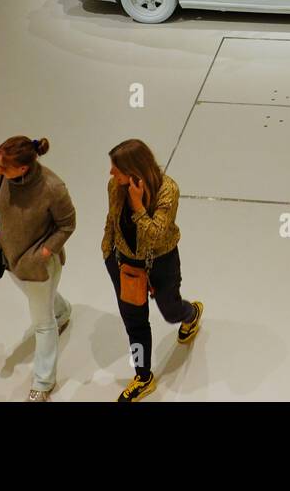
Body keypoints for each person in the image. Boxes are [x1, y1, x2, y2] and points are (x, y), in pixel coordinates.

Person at [102, 139, 203, 402]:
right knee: (134, 323)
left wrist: (137, 206)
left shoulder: (167, 190)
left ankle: (191, 313)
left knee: (170, 312)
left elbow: (156, 236)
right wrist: (107, 251)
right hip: (123, 263)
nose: (112, 173)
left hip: (161, 261)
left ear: (134, 170)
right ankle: (143, 375)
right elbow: (111, 218)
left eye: (117, 169)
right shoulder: (115, 185)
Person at [0, 136, 77, 403]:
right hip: (12, 258)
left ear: (23, 168)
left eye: (4, 166)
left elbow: (67, 225)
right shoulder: (0, 176)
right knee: (39, 302)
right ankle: (63, 311)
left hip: (39, 266)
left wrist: (42, 254)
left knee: (42, 325)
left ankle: (43, 382)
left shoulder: (53, 188)